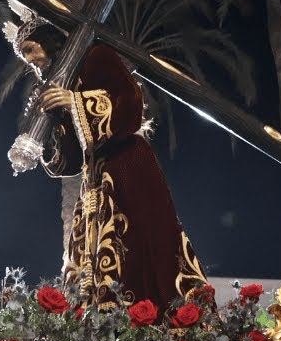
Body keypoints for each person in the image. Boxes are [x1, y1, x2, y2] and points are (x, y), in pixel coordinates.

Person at [16, 22, 208, 312]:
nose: (29, 60)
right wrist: (51, 128)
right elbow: (70, 160)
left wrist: (76, 102)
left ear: (48, 40)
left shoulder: (97, 56)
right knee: (88, 258)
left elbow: (130, 102)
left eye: (30, 49)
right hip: (94, 177)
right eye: (23, 55)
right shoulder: (60, 85)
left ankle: (154, 318)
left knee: (140, 243)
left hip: (128, 166)